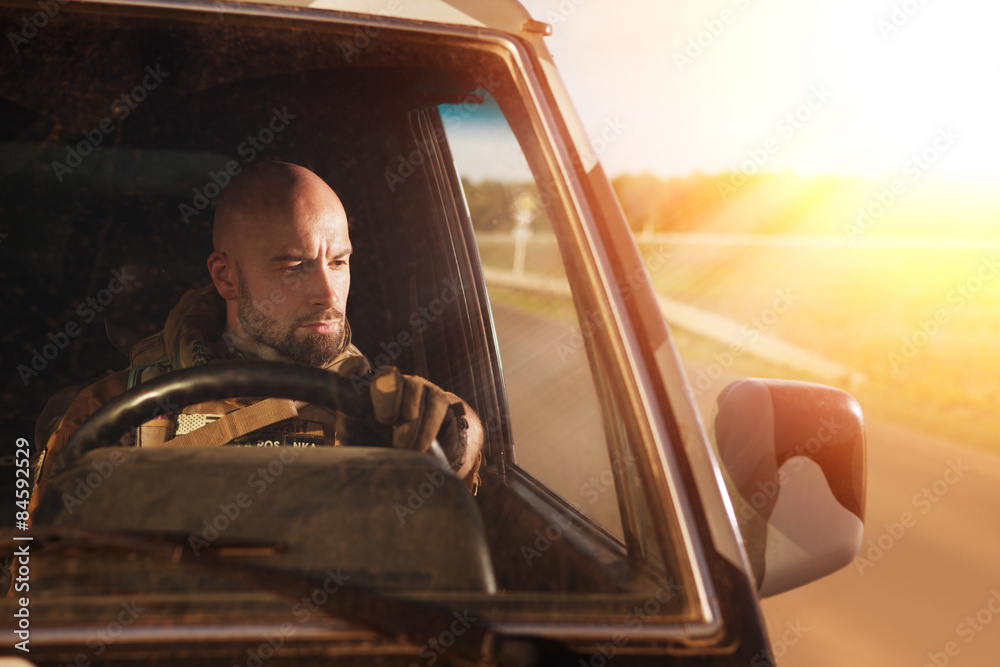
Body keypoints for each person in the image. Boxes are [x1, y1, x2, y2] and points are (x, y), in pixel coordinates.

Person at [29, 161, 483, 512]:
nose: (328, 294)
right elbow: (38, 592)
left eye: (339, 262)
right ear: (225, 277)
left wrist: (459, 436)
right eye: (294, 266)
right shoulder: (111, 411)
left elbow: (453, 481)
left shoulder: (387, 410)